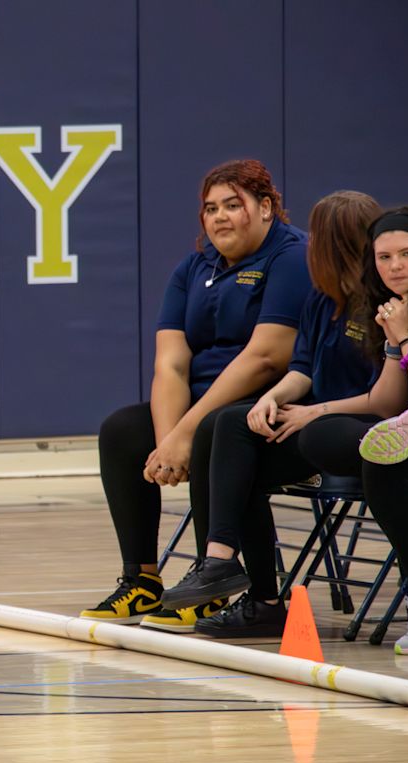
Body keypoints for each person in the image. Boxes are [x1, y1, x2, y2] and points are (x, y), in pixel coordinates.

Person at [82, 159, 310, 632]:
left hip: (269, 407)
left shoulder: (291, 257)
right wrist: (169, 441)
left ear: (266, 208)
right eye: (210, 208)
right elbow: (171, 362)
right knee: (123, 430)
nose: (219, 217)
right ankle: (142, 579)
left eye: (233, 205)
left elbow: (266, 357)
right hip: (200, 407)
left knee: (212, 430)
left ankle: (212, 585)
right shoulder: (195, 266)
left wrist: (186, 432)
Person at [159, 191, 382, 637]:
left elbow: (387, 397)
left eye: (321, 238)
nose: (310, 246)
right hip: (315, 423)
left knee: (243, 447)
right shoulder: (322, 300)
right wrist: (273, 399)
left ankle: (238, 579)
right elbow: (301, 368)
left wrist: (314, 411)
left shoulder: (384, 308)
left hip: (363, 428)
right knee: (228, 427)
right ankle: (238, 579)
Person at [299, 206, 408, 655]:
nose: (395, 266)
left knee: (384, 466)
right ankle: (384, 440)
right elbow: (387, 401)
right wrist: (317, 410)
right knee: (319, 436)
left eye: (407, 254)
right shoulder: (395, 308)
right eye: (384, 257)